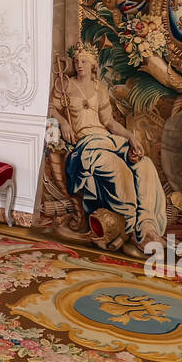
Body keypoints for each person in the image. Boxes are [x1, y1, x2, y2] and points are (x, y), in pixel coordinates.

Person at [49, 43, 167, 256]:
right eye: (76, 61)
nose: (79, 64)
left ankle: (147, 227)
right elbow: (49, 108)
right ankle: (129, 228)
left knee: (144, 164)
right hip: (85, 147)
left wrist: (130, 137)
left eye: (84, 61)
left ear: (93, 63)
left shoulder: (99, 89)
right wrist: (62, 122)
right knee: (118, 168)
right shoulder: (65, 85)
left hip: (107, 140)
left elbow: (110, 123)